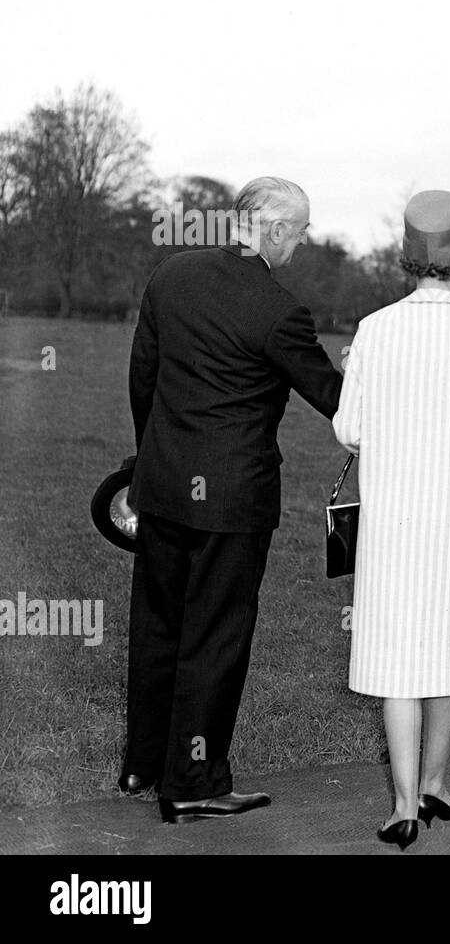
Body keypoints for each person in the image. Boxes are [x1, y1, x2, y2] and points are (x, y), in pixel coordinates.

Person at [120, 177, 342, 822]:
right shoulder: (279, 310)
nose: (301, 244)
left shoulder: (172, 273)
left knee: (158, 626)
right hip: (231, 502)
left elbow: (144, 377)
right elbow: (335, 400)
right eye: (299, 232)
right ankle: (192, 782)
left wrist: (151, 461)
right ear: (274, 230)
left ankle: (144, 765)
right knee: (214, 638)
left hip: (161, 486)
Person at [334, 191, 450, 850]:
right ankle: (436, 779)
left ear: (408, 261)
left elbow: (350, 428)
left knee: (397, 658)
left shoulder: (376, 330)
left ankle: (406, 802)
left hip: (396, 523)